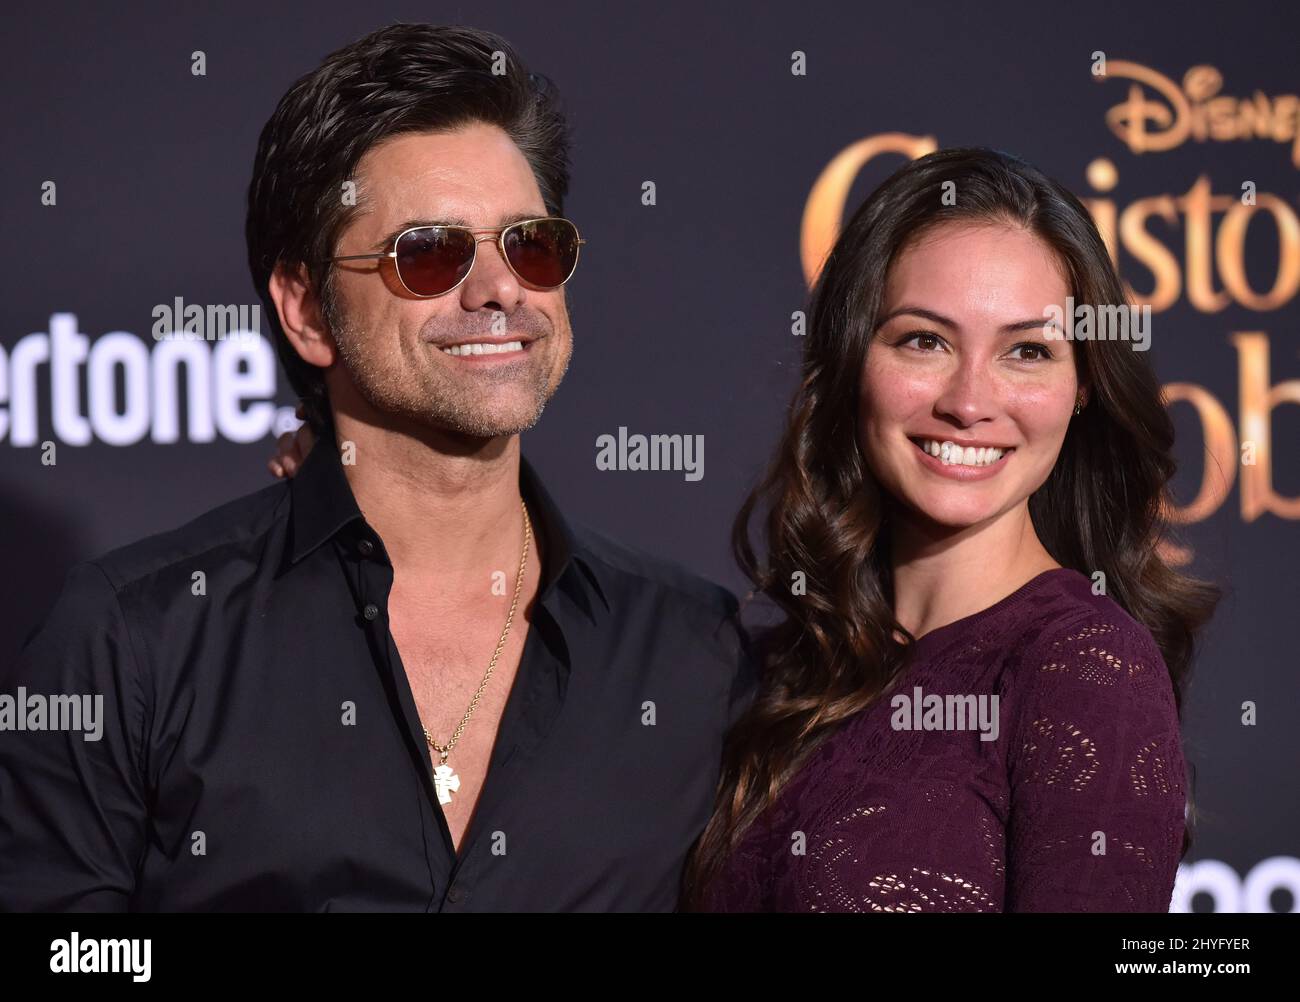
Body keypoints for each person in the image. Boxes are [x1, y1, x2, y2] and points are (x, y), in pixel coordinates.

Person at [0, 24, 753, 912]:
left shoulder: (697, 657)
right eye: (429, 253)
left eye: (531, 244)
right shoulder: (134, 639)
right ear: (308, 309)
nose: (498, 289)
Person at [674, 147, 1220, 912]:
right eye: (924, 340)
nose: (970, 401)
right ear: (853, 357)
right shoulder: (785, 665)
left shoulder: (1085, 671)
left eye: (1027, 351)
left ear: (1084, 385)